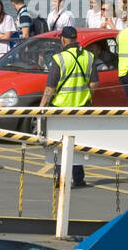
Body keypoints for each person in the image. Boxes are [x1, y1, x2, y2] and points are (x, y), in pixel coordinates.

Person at [40, 26, 99, 188]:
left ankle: (60, 178)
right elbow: (94, 83)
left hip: (61, 108)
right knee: (76, 144)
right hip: (81, 108)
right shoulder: (89, 57)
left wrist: (41, 107)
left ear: (64, 40)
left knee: (59, 145)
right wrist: (87, 97)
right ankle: (78, 178)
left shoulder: (59, 59)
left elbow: (50, 87)